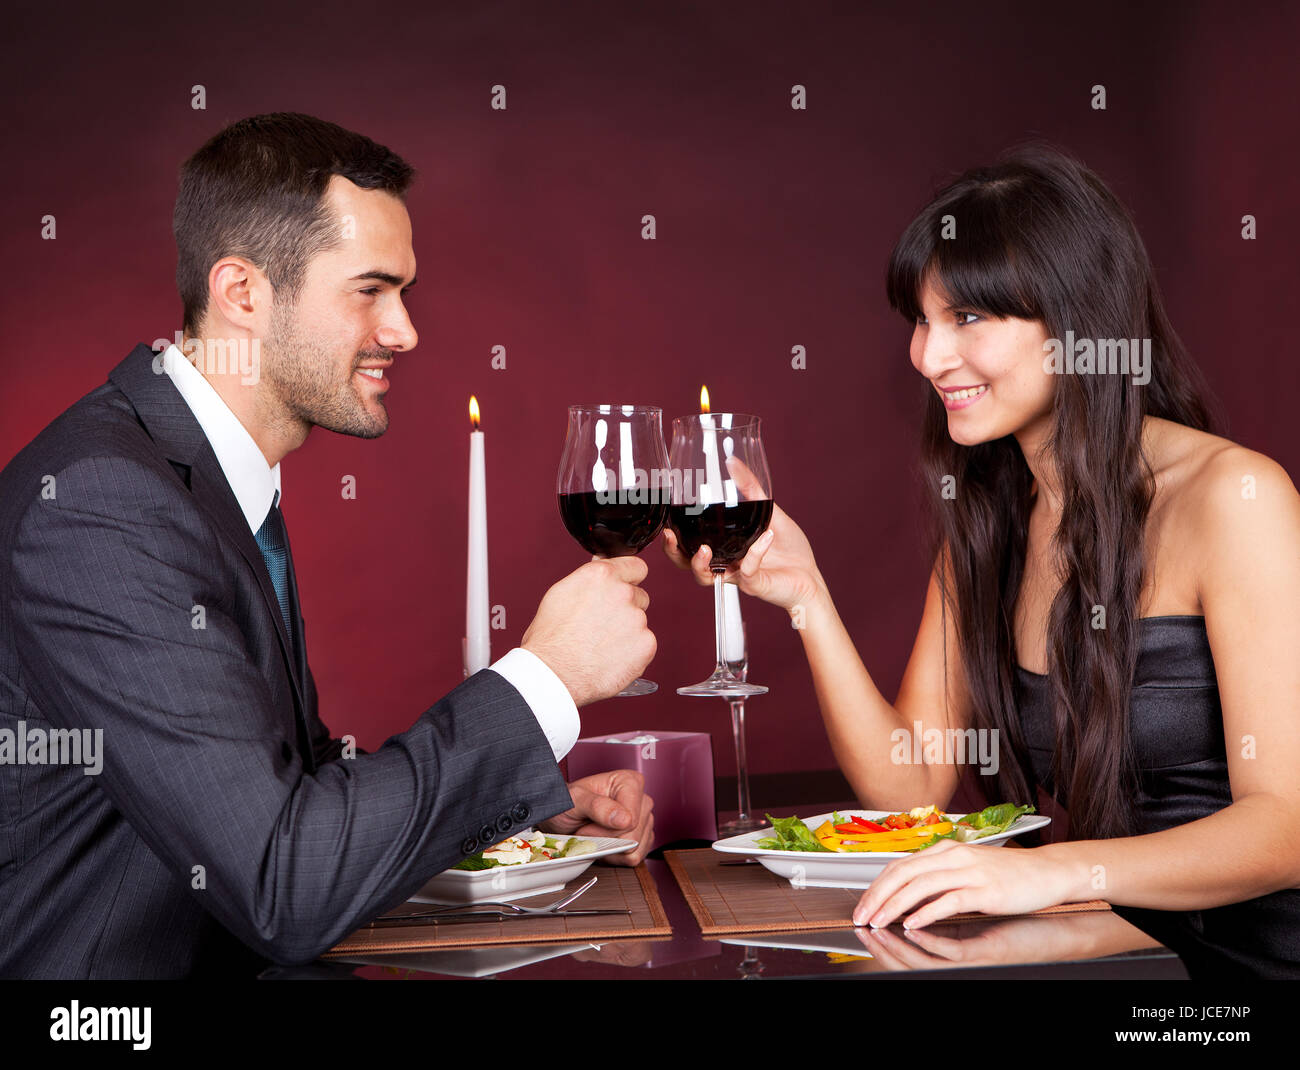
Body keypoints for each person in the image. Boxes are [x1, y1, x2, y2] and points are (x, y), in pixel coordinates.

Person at [0, 113, 655, 979]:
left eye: (405, 293)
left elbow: (295, 801)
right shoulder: (101, 504)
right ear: (243, 293)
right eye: (370, 290)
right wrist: (546, 679)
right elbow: (285, 880)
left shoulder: (205, 475)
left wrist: (517, 811)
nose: (405, 332)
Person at [665, 145, 1300, 975]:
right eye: (923, 321)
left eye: (967, 319)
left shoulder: (1234, 497)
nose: (929, 357)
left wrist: (1040, 873)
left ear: (1080, 325)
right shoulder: (995, 516)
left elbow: (1286, 827)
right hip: (1122, 946)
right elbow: (912, 784)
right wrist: (806, 598)